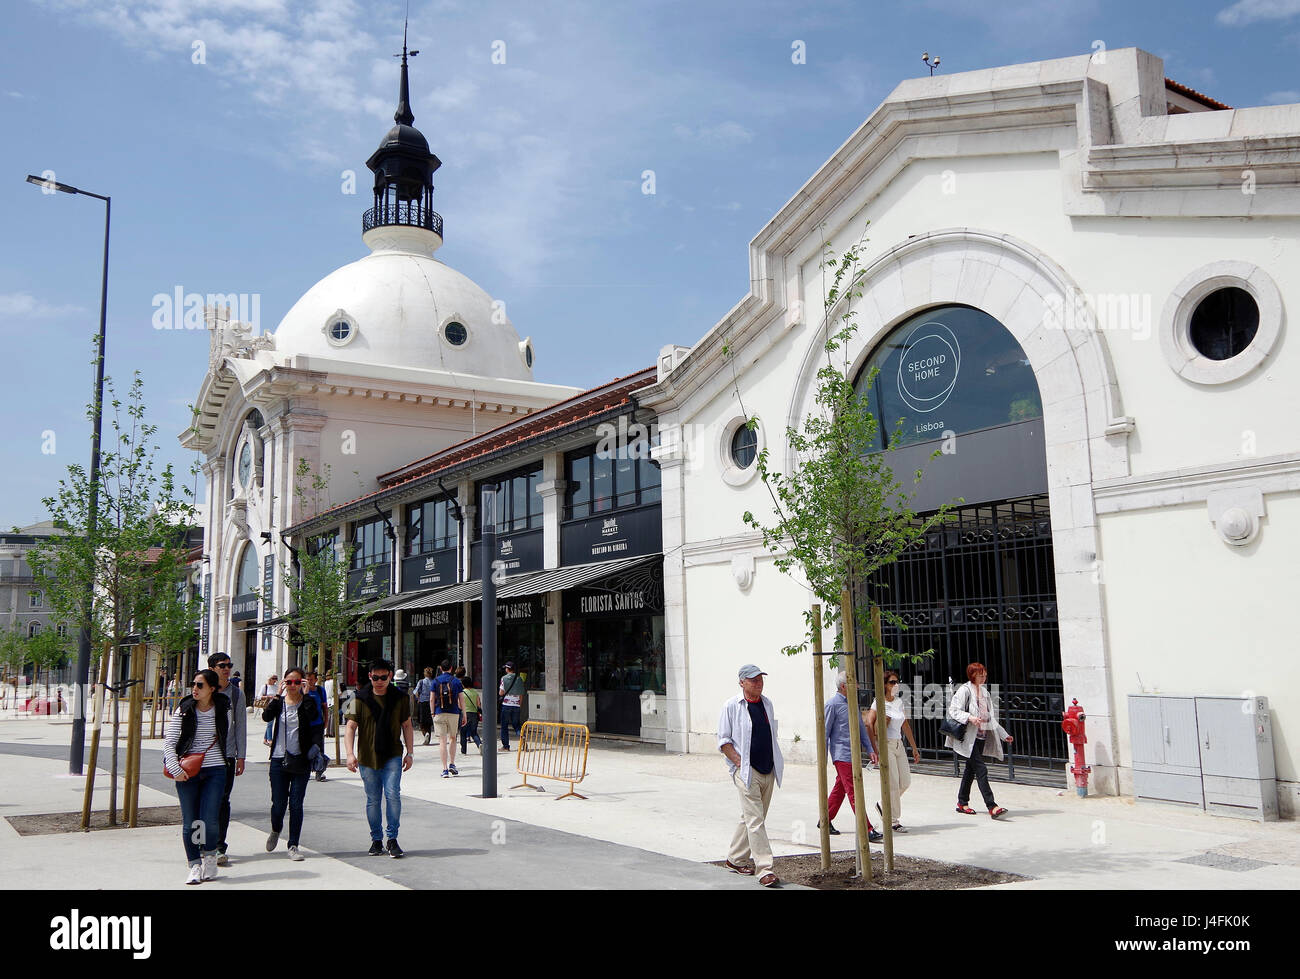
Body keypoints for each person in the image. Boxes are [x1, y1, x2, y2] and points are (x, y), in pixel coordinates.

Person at [717, 664, 784, 888]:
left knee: (752, 817)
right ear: (742, 682)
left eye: (760, 679)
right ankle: (764, 869)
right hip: (746, 771)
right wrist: (738, 763)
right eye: (753, 680)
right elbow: (724, 741)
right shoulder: (731, 706)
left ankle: (734, 859)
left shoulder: (767, 704)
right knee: (756, 821)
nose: (759, 683)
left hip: (768, 769)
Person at [162, 669, 231, 885]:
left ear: (212, 688)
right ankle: (194, 864)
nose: (195, 688)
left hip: (215, 769)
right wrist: (175, 769)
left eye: (200, 685)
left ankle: (209, 857)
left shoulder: (222, 708)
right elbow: (169, 743)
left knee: (209, 819)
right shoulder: (184, 709)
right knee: (191, 821)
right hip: (186, 770)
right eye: (193, 684)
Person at [345, 659, 414, 857]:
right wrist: (349, 754)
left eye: (384, 677)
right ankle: (376, 840)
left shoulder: (399, 698)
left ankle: (392, 839)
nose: (379, 681)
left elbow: (407, 725)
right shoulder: (360, 698)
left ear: (390, 677)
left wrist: (410, 753)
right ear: (370, 677)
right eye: (376, 677)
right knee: (373, 800)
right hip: (367, 757)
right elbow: (350, 727)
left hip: (392, 754)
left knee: (393, 795)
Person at [262, 666, 320, 861]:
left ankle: (293, 844)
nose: (293, 686)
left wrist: (307, 695)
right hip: (279, 759)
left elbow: (314, 718)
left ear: (303, 683)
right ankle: (276, 828)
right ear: (284, 683)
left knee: (296, 804)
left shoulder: (307, 703)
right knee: (278, 804)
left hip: (301, 760)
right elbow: (266, 717)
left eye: (297, 682)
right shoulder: (279, 703)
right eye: (289, 682)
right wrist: (277, 695)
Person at [946, 662, 1013, 818]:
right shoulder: (964, 690)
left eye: (985, 674)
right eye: (980, 674)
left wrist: (1004, 735)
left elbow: (990, 718)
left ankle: (962, 802)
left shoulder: (985, 693)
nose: (984, 676)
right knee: (981, 769)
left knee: (970, 771)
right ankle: (992, 806)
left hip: (981, 737)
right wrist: (970, 717)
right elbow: (953, 710)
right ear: (972, 675)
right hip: (968, 738)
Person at [822, 672, 881, 842]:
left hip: (853, 754)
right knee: (854, 792)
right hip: (842, 755)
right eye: (854, 683)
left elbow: (862, 729)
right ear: (843, 686)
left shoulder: (852, 704)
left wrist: (869, 749)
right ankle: (867, 829)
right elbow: (825, 732)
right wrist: (824, 757)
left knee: (840, 789)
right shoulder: (832, 705)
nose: (858, 686)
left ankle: (825, 821)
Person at [866, 670, 921, 833]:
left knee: (905, 782)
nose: (896, 685)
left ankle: (882, 805)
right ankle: (893, 820)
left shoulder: (898, 701)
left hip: (899, 744)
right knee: (893, 783)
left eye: (897, 681)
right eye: (892, 682)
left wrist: (914, 748)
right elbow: (869, 724)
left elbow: (905, 725)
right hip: (885, 745)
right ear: (884, 684)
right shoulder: (878, 702)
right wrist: (874, 749)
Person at [207, 652, 247, 867]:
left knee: (223, 800)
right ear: (212, 668)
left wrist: (241, 756)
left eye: (229, 665)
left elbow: (240, 725)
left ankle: (220, 846)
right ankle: (205, 845)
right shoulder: (204, 689)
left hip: (227, 755)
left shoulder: (236, 694)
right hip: (203, 756)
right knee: (205, 802)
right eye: (222, 665)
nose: (226, 669)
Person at [431, 661, 465, 778]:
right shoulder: (456, 681)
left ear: (440, 668)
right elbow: (461, 699)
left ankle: (444, 769)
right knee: (453, 738)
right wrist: (464, 714)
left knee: (442, 741)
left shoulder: (435, 681)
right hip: (454, 713)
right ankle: (452, 763)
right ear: (451, 668)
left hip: (439, 712)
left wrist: (432, 713)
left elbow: (431, 699)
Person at [304, 670, 329, 781]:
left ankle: (319, 771)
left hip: (318, 724)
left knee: (319, 748)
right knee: (306, 748)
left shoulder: (320, 690)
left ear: (316, 680)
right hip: (305, 725)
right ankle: (306, 769)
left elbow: (325, 707)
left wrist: (326, 721)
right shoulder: (302, 690)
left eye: (311, 679)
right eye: (307, 679)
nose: (309, 682)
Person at [499, 662, 524, 751]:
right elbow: (521, 694)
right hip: (516, 705)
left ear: (507, 669)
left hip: (506, 705)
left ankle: (506, 746)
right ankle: (522, 737)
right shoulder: (519, 679)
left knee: (504, 726)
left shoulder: (504, 678)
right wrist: (519, 705)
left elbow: (501, 693)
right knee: (516, 725)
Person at [456, 667, 482, 754]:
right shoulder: (475, 692)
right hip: (474, 714)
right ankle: (479, 744)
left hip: (464, 714)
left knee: (463, 732)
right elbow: (479, 704)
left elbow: (459, 705)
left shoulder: (462, 693)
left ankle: (464, 750)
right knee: (474, 732)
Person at [415, 667, 435, 746]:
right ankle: (428, 737)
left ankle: (425, 733)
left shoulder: (421, 682)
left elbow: (416, 692)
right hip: (431, 703)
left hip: (422, 703)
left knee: (422, 722)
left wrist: (418, 698)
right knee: (429, 722)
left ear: (424, 673)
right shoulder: (434, 682)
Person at [261, 674, 280, 745]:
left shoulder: (276, 687)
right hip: (267, 706)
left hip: (275, 706)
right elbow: (259, 696)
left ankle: (265, 739)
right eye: (273, 678)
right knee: (270, 722)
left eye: (276, 678)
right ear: (270, 679)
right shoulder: (265, 687)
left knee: (270, 722)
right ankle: (270, 739)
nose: (275, 680)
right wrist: (268, 697)